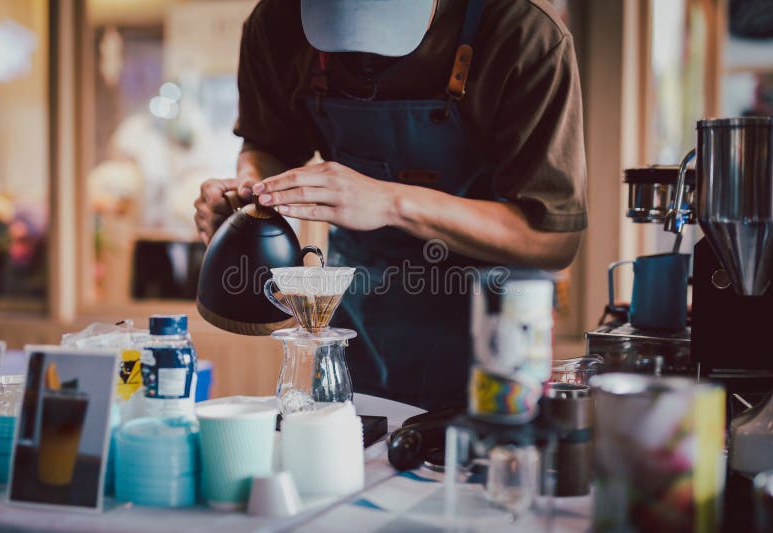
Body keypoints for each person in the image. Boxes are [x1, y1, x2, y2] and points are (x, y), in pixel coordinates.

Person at [194, 0, 587, 410]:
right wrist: (253, 194)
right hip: (365, 312)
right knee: (352, 454)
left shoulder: (522, 32)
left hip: (495, 334)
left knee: (484, 462)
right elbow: (266, 143)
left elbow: (553, 237)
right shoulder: (277, 21)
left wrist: (392, 202)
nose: (361, 61)